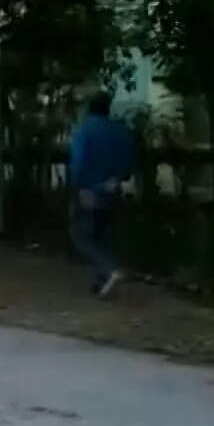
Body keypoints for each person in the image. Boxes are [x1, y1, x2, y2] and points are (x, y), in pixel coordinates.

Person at [68, 90, 136, 298]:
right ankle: (101, 281)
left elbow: (78, 163)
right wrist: (117, 179)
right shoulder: (121, 131)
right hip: (113, 188)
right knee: (101, 234)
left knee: (81, 235)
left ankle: (111, 270)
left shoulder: (84, 131)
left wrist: (78, 187)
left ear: (89, 108)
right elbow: (128, 165)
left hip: (91, 189)